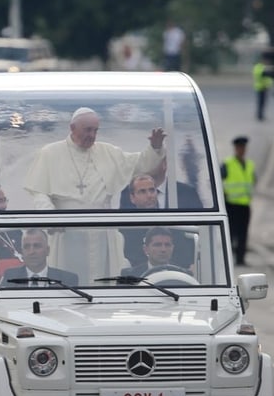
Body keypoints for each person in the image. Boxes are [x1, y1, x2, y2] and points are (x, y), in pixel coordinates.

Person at [24, 107, 167, 283]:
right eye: (87, 130)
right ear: (72, 128)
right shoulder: (50, 153)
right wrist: (50, 215)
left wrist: (155, 147)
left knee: (103, 283)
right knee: (68, 284)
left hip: (102, 235)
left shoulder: (107, 152)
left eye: (95, 130)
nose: (92, 135)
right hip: (67, 234)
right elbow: (39, 191)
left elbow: (139, 165)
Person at [0, 229, 79, 287]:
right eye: (27, 247)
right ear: (22, 251)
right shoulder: (10, 276)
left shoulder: (67, 279)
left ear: (47, 250)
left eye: (37, 246)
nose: (31, 252)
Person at [118, 157, 203, 210]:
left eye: (152, 161)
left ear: (164, 164)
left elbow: (201, 227)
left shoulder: (188, 193)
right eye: (145, 161)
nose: (147, 165)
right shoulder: (127, 192)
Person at [222, 136, 255, 266]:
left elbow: (252, 180)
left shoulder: (250, 164)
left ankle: (241, 259)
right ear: (235, 149)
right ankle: (229, 259)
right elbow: (220, 181)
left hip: (245, 205)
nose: (241, 150)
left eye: (243, 148)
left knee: (243, 234)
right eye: (239, 148)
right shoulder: (227, 164)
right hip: (231, 204)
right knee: (230, 234)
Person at [121, 227, 185, 277]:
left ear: (172, 248)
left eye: (167, 245)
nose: (163, 249)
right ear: (146, 249)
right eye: (157, 245)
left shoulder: (183, 275)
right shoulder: (129, 275)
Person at [253, 53, 274, 121]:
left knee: (263, 103)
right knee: (260, 103)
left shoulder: (264, 67)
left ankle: (261, 115)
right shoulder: (259, 67)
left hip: (265, 87)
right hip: (260, 87)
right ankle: (259, 115)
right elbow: (260, 75)